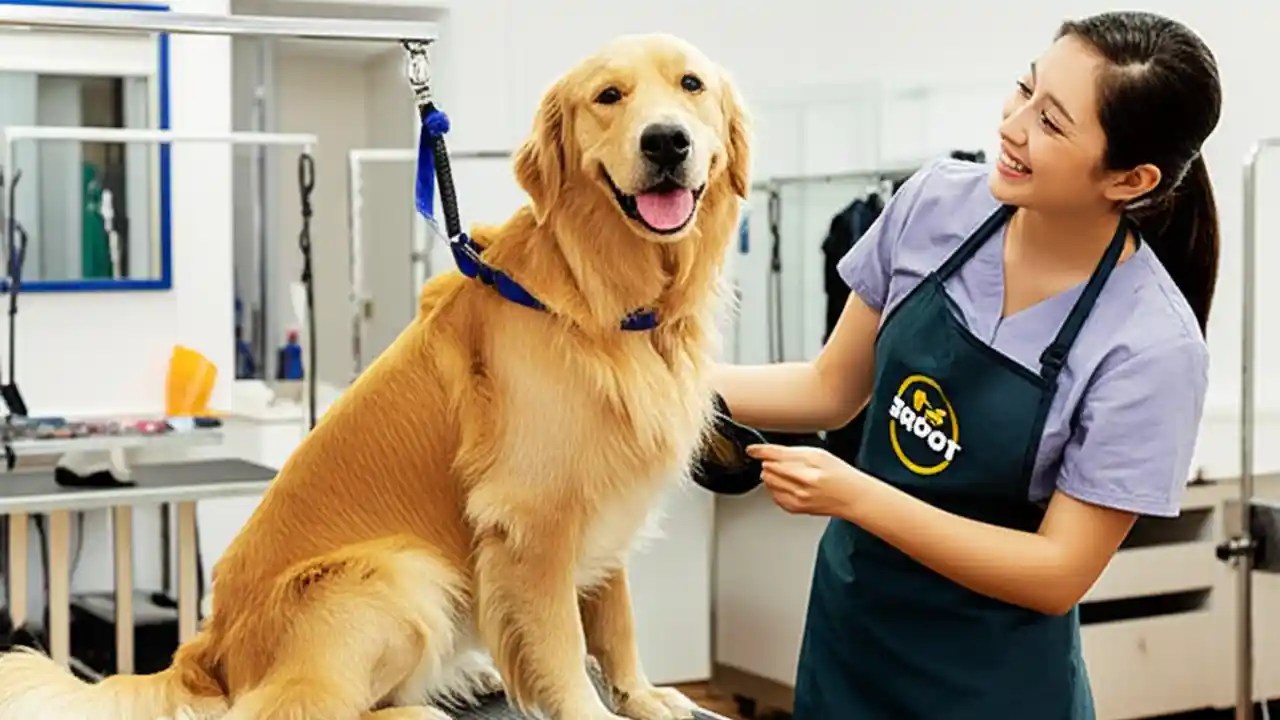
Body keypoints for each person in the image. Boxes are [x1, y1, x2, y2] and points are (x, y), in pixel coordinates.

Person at [699, 10, 1222, 719]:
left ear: (1129, 179)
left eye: (1053, 123)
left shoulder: (1151, 346)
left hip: (992, 686)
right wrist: (659, 382)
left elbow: (1057, 572)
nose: (1013, 124)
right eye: (1024, 90)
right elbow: (829, 388)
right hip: (852, 641)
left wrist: (855, 496)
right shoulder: (935, 205)